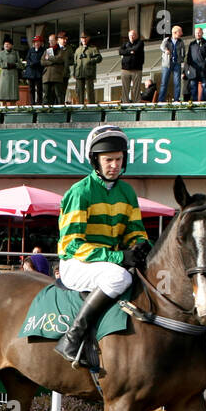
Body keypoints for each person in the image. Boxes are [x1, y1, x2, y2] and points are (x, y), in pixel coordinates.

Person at [53, 124, 151, 369]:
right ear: (95, 161)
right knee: (119, 277)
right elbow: (73, 245)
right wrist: (119, 257)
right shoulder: (79, 192)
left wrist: (140, 246)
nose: (114, 165)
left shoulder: (127, 192)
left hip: (107, 262)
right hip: (76, 264)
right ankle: (72, 339)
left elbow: (135, 231)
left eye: (118, 159)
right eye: (108, 160)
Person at [158, 25, 186, 103]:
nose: (181, 33)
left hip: (177, 63)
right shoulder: (167, 40)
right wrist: (166, 50)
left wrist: (181, 59)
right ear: (175, 32)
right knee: (164, 82)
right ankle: (161, 100)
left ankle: (176, 99)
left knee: (177, 82)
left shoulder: (181, 42)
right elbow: (162, 47)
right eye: (180, 32)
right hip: (167, 64)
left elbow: (183, 51)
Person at [186, 27, 206, 102]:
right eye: (196, 33)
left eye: (199, 32)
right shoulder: (192, 44)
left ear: (202, 33)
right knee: (193, 87)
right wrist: (187, 69)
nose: (198, 34)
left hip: (203, 70)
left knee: (204, 86)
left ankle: (203, 102)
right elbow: (188, 57)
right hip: (193, 70)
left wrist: (205, 63)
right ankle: (195, 103)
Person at [73, 33, 102, 105]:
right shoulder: (78, 50)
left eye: (85, 38)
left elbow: (99, 58)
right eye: (82, 38)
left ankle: (91, 106)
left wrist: (90, 60)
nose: (84, 39)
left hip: (89, 72)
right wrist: (74, 73)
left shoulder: (93, 48)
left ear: (88, 38)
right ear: (80, 39)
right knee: (79, 92)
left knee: (90, 91)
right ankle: (80, 106)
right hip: (79, 73)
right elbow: (75, 63)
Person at [118, 29, 144, 103]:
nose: (131, 37)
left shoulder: (140, 43)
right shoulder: (125, 44)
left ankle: (136, 102)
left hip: (136, 69)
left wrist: (126, 52)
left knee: (136, 88)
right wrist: (130, 51)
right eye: (130, 35)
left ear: (136, 36)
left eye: (133, 35)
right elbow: (120, 51)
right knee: (125, 88)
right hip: (125, 69)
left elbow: (136, 49)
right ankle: (125, 102)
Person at [42, 35, 67, 106]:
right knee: (46, 96)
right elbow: (42, 61)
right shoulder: (47, 50)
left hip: (57, 76)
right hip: (47, 76)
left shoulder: (61, 50)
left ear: (56, 41)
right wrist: (52, 61)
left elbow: (59, 59)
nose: (50, 42)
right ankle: (46, 111)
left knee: (59, 95)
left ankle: (61, 112)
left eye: (52, 40)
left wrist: (49, 58)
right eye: (49, 40)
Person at [0, 40, 21, 106]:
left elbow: (20, 64)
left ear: (11, 45)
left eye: (8, 44)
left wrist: (14, 65)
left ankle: (13, 111)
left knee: (13, 97)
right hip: (4, 75)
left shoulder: (15, 53)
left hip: (13, 76)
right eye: (5, 44)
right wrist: (7, 65)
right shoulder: (1, 53)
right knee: (3, 96)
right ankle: (2, 111)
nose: (6, 45)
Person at [24, 35, 46, 106]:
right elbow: (27, 58)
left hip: (39, 71)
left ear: (41, 43)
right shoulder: (31, 50)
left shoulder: (43, 50)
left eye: (38, 42)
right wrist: (30, 63)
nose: (37, 43)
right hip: (31, 72)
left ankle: (39, 102)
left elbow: (43, 60)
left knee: (39, 88)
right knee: (31, 88)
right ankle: (32, 102)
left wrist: (36, 63)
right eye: (36, 42)